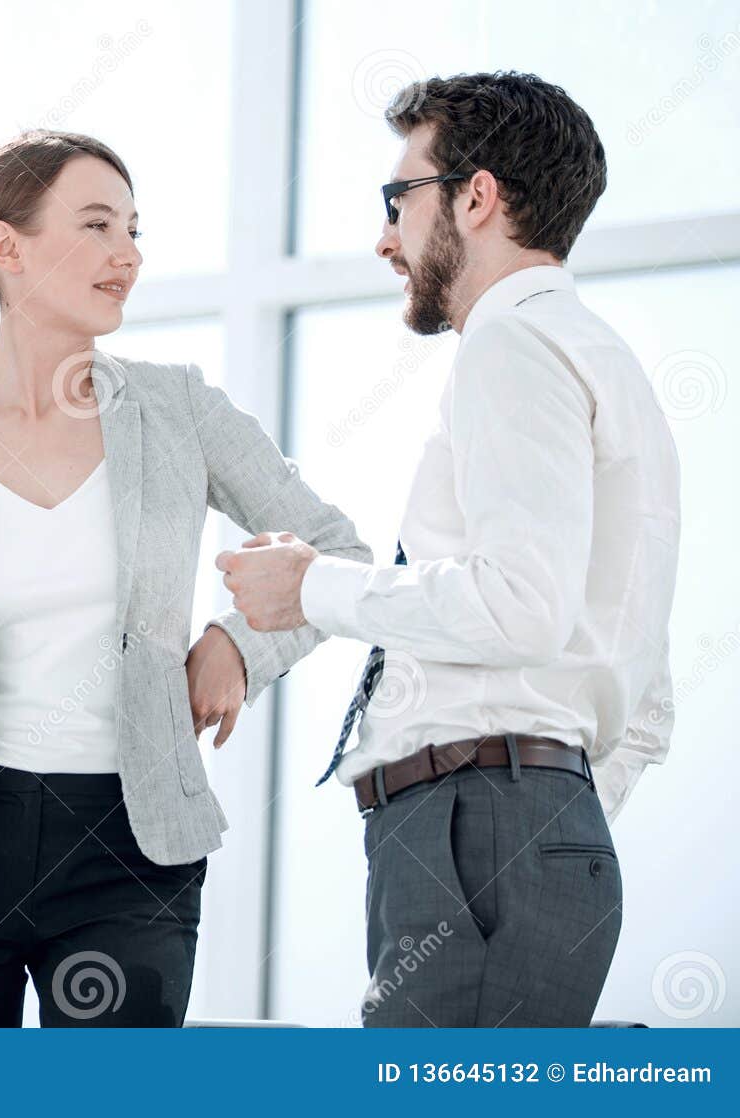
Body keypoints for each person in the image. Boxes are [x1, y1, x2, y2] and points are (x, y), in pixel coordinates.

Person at [0, 131, 369, 1027]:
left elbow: (337, 549)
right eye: (98, 225)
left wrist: (240, 641)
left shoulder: (176, 408)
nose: (130, 255)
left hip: (129, 846)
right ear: (7, 247)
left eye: (134, 230)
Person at [216, 72, 680, 1027]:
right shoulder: (606, 364)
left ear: (477, 197)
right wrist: (556, 827)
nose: (385, 237)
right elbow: (647, 697)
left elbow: (520, 604)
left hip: (478, 826)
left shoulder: (511, 346)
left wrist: (312, 588)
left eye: (400, 200)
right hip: (522, 832)